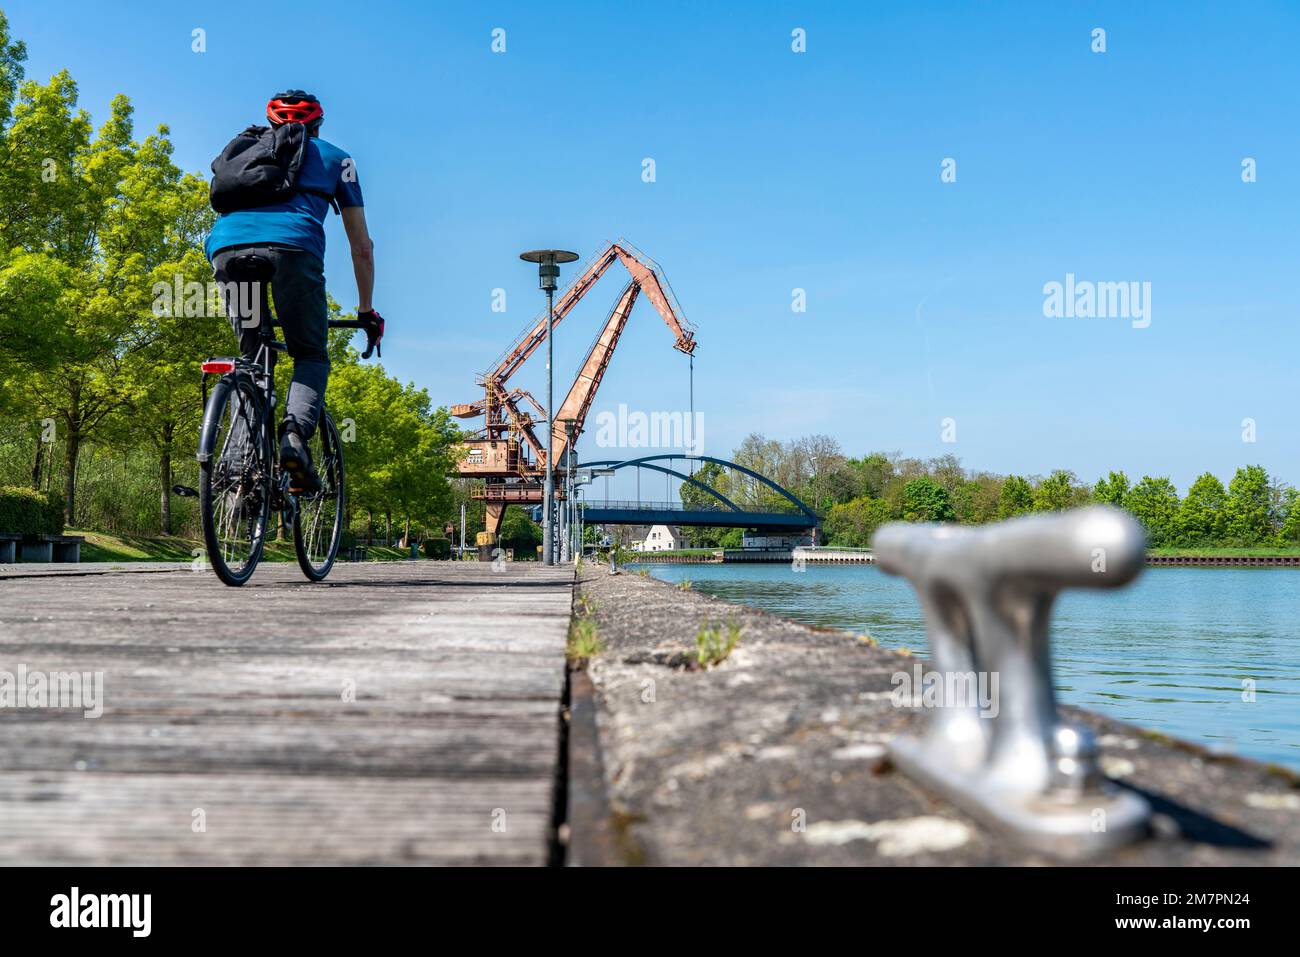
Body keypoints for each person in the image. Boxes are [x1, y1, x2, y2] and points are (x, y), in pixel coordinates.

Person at [206, 90, 380, 492]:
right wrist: (366, 310)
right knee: (310, 353)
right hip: (293, 252)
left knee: (252, 357)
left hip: (226, 252)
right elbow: (362, 248)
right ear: (318, 126)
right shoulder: (339, 159)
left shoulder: (249, 153)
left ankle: (235, 460)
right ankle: (294, 440)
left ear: (272, 125)